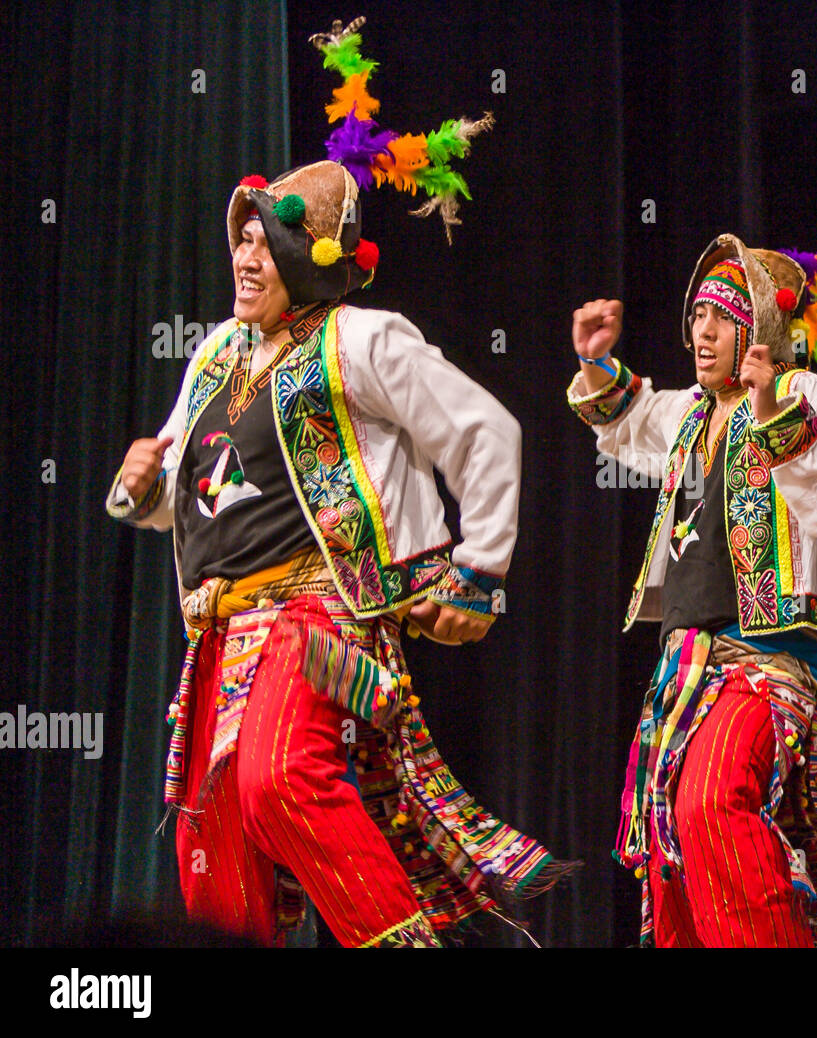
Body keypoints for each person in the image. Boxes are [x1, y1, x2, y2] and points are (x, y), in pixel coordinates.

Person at [105, 20, 570, 948]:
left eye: (263, 245)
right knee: (213, 844)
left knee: (280, 775)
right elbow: (190, 500)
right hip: (221, 630)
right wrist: (138, 486)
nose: (243, 258)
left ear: (309, 262)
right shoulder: (215, 354)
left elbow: (484, 432)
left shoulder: (361, 340)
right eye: (239, 240)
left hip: (330, 618)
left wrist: (480, 572)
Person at [567, 235, 817, 947]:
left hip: (776, 656)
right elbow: (630, 419)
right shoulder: (694, 412)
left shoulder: (805, 394)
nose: (701, 332)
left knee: (708, 805)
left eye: (722, 319)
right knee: (669, 847)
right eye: (698, 315)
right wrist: (597, 360)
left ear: (759, 333)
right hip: (694, 664)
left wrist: (773, 418)